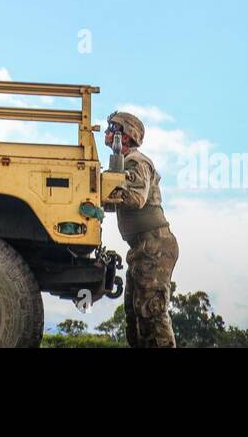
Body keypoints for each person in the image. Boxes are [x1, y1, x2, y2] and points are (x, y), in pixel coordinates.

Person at [103, 110, 178, 348]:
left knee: (151, 311)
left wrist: (105, 190)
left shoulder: (136, 161)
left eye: (112, 128)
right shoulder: (124, 162)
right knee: (135, 315)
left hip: (155, 245)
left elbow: (136, 197)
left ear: (124, 137)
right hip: (143, 247)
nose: (107, 132)